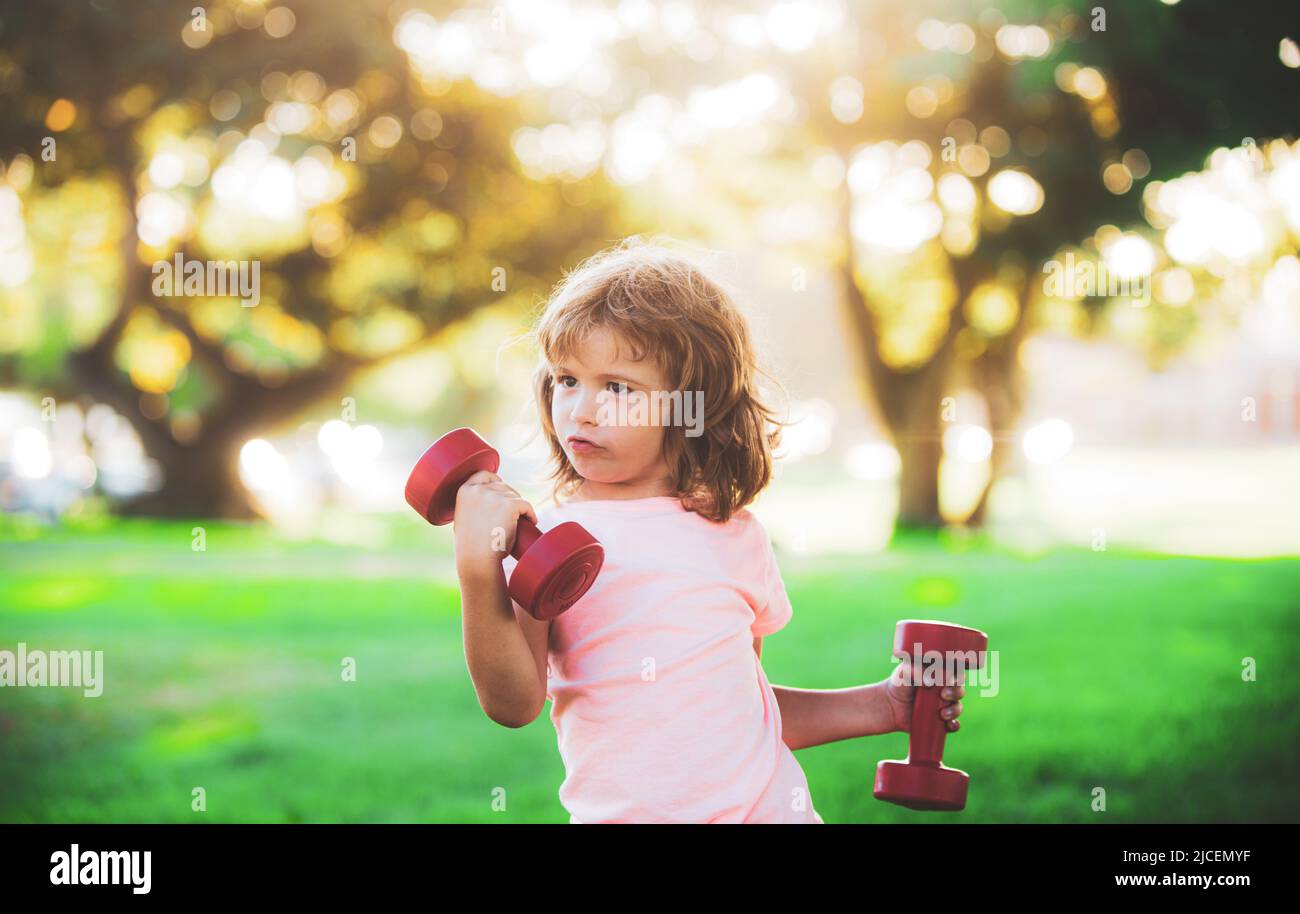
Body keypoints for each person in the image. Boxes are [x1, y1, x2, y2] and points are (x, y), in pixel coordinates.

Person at [452, 236, 964, 823]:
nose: (581, 410)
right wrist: (477, 573)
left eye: (617, 387)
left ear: (692, 406)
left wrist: (881, 705)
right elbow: (513, 703)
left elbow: (738, 712)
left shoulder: (732, 534)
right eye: (567, 379)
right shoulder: (549, 540)